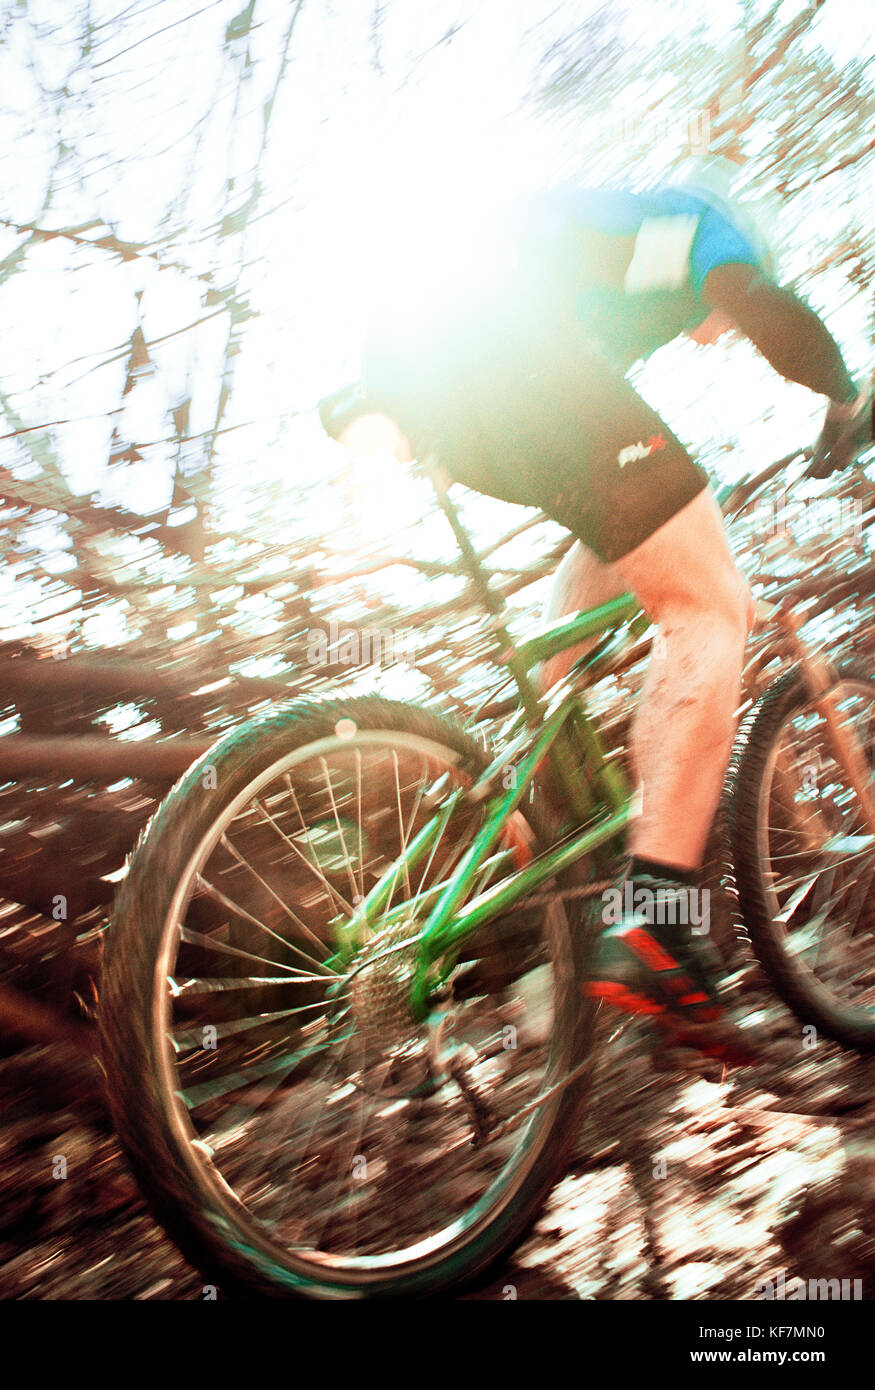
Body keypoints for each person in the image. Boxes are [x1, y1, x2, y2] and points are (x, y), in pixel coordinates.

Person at [318, 173, 873, 1060]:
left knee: (625, 542)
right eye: (721, 323)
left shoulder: (615, 294)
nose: (720, 333)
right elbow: (756, 302)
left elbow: (604, 489)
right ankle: (656, 918)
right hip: (504, 358)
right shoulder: (704, 223)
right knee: (708, 607)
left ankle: (518, 769)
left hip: (438, 392)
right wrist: (844, 399)